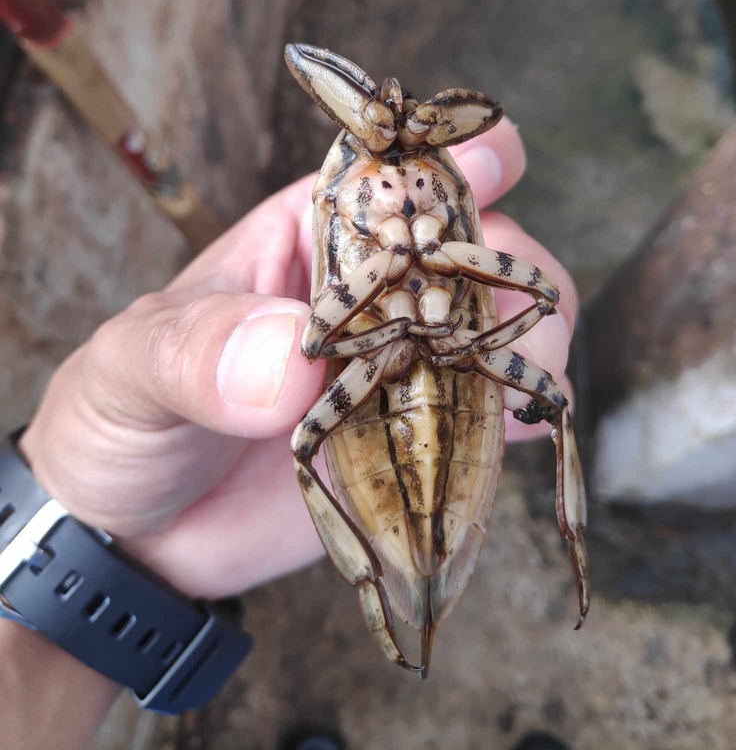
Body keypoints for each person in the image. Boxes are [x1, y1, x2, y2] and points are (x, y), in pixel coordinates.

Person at [0, 117, 577, 748]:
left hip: (456, 361)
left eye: (421, 176)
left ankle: (563, 538)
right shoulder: (345, 221)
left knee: (552, 391)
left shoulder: (448, 210)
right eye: (385, 179)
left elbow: (538, 292)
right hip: (381, 374)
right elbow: (320, 335)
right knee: (305, 443)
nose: (406, 188)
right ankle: (371, 586)